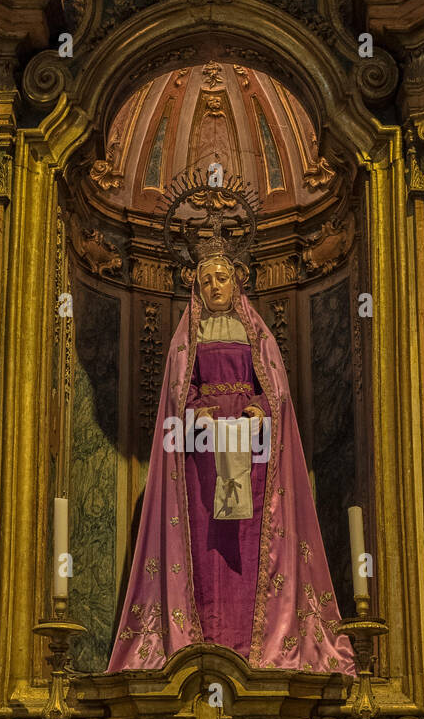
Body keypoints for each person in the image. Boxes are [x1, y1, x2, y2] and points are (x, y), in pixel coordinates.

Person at [108, 237, 354, 675]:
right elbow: (178, 395)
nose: (215, 286)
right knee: (205, 549)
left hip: (253, 451)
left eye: (222, 278)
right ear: (196, 288)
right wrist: (197, 410)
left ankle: (255, 647)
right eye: (206, 281)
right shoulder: (188, 338)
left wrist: (259, 406)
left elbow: (274, 390)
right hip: (203, 457)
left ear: (237, 282)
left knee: (251, 543)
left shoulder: (256, 333)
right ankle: (200, 647)